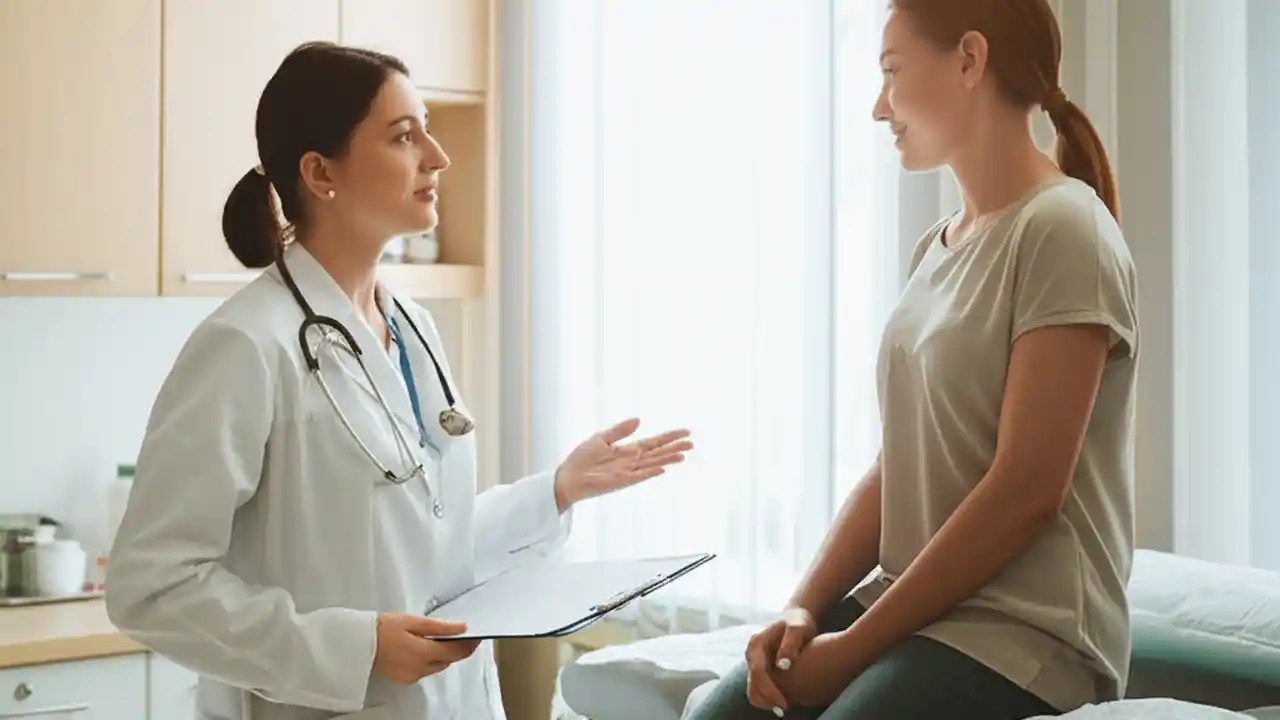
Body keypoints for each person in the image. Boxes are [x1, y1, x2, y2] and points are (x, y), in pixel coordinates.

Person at [105, 41, 693, 720]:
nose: (437, 157)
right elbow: (151, 587)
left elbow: (422, 544)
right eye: (404, 136)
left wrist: (557, 490)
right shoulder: (244, 346)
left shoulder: (410, 325)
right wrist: (355, 647)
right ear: (321, 172)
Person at [688, 0, 1138, 718]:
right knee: (719, 713)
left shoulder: (1064, 230)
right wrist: (805, 610)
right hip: (915, 617)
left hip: (1019, 640)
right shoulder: (937, 247)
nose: (877, 107)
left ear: (969, 59)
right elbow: (896, 465)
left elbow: (1025, 492)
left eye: (892, 73)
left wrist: (856, 646)